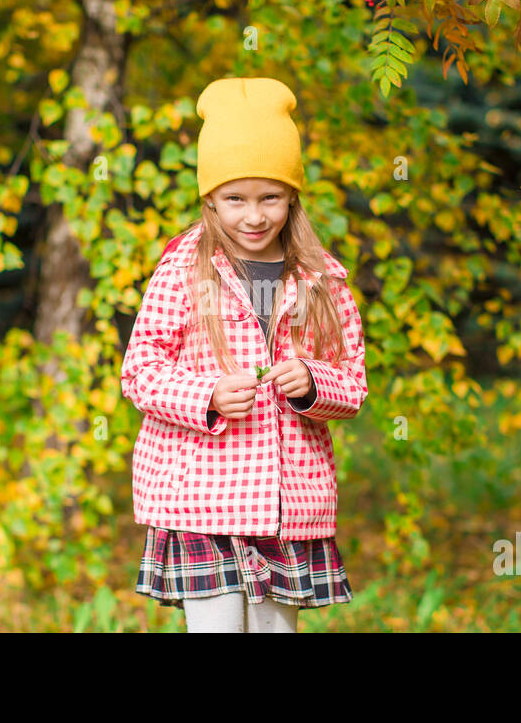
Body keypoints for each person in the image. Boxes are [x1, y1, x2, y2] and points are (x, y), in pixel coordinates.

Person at [120, 76, 368, 632]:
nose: (253, 216)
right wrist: (203, 393)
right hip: (199, 495)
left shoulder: (321, 277)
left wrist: (311, 383)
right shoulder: (183, 270)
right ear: (210, 199)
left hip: (284, 503)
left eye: (270, 198)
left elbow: (352, 382)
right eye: (235, 199)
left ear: (292, 197)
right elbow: (140, 371)